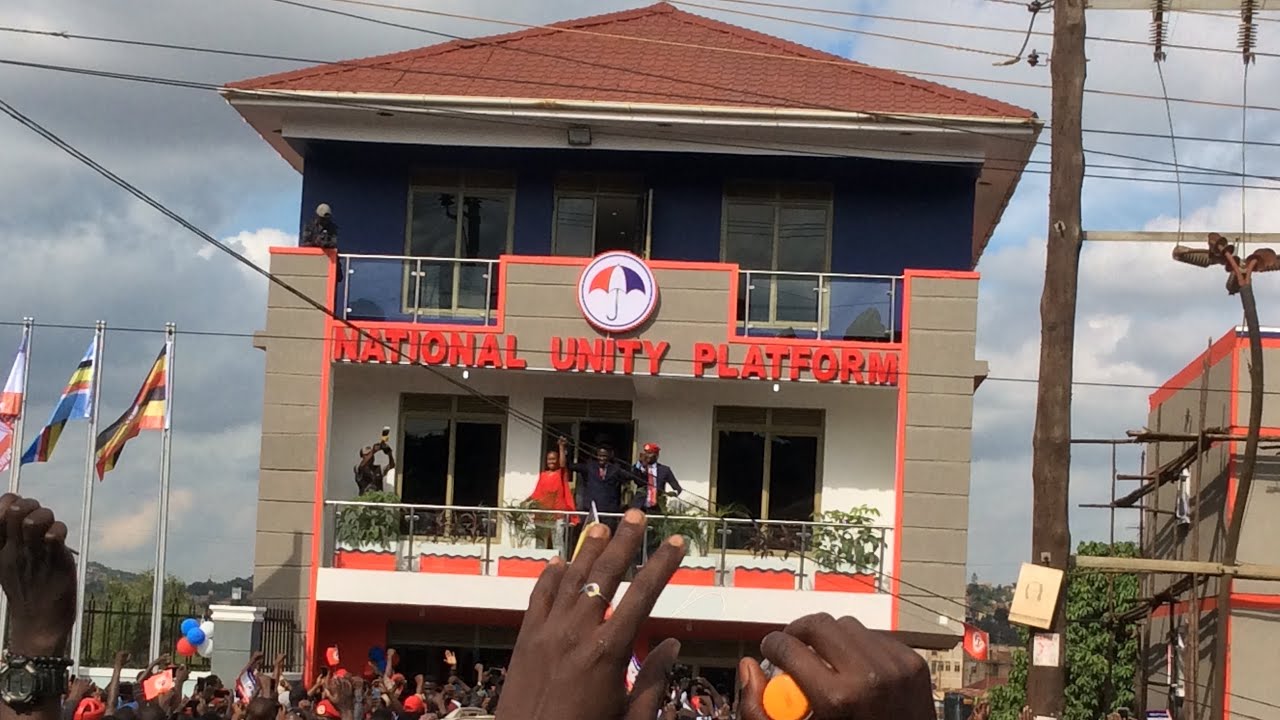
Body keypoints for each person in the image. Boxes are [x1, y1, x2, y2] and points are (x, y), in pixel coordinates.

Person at [526, 437, 578, 549]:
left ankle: (559, 565)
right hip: (542, 514)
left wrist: (561, 447)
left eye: (554, 459)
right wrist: (525, 502)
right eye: (549, 459)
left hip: (557, 514)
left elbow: (563, 464)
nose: (551, 461)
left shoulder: (561, 473)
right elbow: (537, 493)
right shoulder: (543, 475)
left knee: (558, 543)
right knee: (540, 543)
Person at [567, 443, 630, 531]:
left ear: (609, 456)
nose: (602, 458)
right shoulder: (590, 466)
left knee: (607, 537)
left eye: (604, 456)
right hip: (591, 511)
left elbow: (631, 476)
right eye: (600, 456)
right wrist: (565, 448)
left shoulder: (616, 469)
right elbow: (570, 466)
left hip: (609, 512)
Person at [631, 443, 682, 513]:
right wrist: (642, 465)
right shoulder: (638, 467)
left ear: (656, 455)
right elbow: (637, 480)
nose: (646, 455)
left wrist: (670, 495)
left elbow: (677, 488)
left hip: (657, 507)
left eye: (649, 453)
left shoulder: (664, 470)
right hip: (639, 507)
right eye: (645, 453)